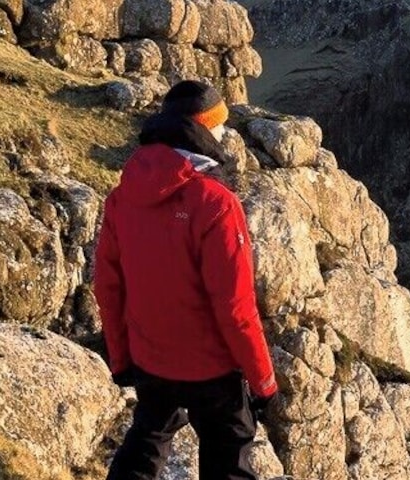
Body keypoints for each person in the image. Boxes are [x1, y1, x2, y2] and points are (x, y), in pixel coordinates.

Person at [96, 81, 276, 480]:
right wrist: (263, 382)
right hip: (212, 370)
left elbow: (108, 286)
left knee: (146, 441)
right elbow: (235, 307)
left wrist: (122, 359)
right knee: (230, 452)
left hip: (150, 360)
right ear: (202, 130)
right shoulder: (216, 203)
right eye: (220, 126)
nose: (226, 134)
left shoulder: (123, 194)